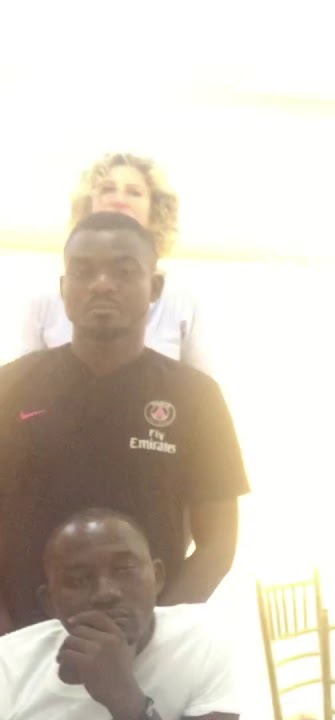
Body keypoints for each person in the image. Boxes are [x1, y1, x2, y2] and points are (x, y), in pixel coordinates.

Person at [0, 212, 248, 635]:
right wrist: (8, 637)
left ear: (155, 288)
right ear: (63, 288)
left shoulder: (196, 397)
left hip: (146, 647)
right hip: (22, 640)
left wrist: (153, 634)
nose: (102, 284)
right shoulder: (11, 388)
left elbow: (218, 544)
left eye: (124, 270)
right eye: (83, 271)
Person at [0, 508, 238, 719]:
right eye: (78, 580)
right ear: (49, 602)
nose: (105, 593)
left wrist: (124, 697)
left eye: (124, 570)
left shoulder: (202, 642)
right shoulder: (9, 664)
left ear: (157, 578)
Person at [19, 152, 206, 370]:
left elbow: (203, 382)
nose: (119, 200)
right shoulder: (44, 293)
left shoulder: (183, 299)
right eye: (107, 189)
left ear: (154, 209)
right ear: (88, 203)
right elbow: (22, 379)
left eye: (134, 192)